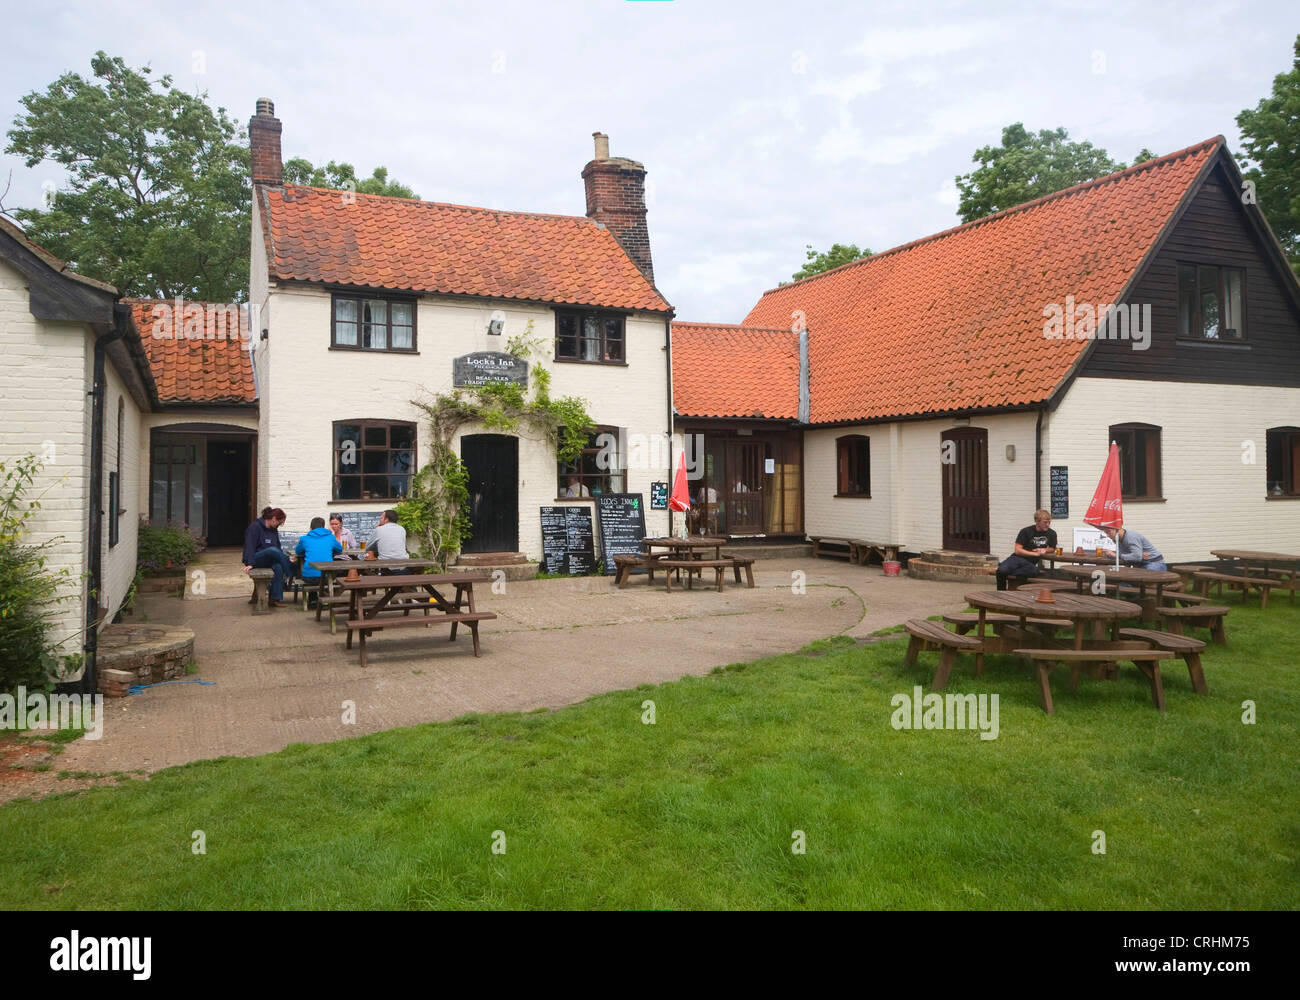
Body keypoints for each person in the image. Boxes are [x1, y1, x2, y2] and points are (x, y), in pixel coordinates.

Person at [995, 509, 1058, 591]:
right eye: (1045, 522)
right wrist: (1035, 554)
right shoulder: (1026, 531)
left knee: (1034, 572)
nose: (1047, 525)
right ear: (1037, 521)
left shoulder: (1052, 533)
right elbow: (1017, 550)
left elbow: (1052, 548)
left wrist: (1044, 550)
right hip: (1017, 558)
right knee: (1001, 571)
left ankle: (1008, 571)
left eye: (1049, 522)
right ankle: (1001, 593)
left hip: (1030, 564)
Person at [243, 505, 291, 607]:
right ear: (273, 519)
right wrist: (250, 563)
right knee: (272, 550)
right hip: (255, 559)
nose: (280, 525)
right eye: (279, 522)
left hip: (269, 560)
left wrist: (280, 559)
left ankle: (274, 599)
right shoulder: (255, 527)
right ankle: (291, 571)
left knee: (278, 567)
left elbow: (278, 547)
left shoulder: (274, 530)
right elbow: (249, 546)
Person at [295, 517, 343, 607]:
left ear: (311, 527)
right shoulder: (330, 538)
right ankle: (325, 599)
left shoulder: (305, 539)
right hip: (325, 576)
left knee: (311, 573)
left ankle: (313, 599)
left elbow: (298, 551)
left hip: (308, 577)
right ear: (323, 526)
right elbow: (339, 550)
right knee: (331, 575)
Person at [1102, 525, 1167, 571]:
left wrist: (1117, 555)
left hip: (1154, 563)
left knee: (1141, 582)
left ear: (1117, 529)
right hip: (1141, 564)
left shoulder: (1131, 537)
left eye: (1109, 532)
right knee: (1124, 582)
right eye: (1106, 533)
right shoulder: (1118, 539)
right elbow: (1131, 556)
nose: (1107, 535)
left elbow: (1136, 557)